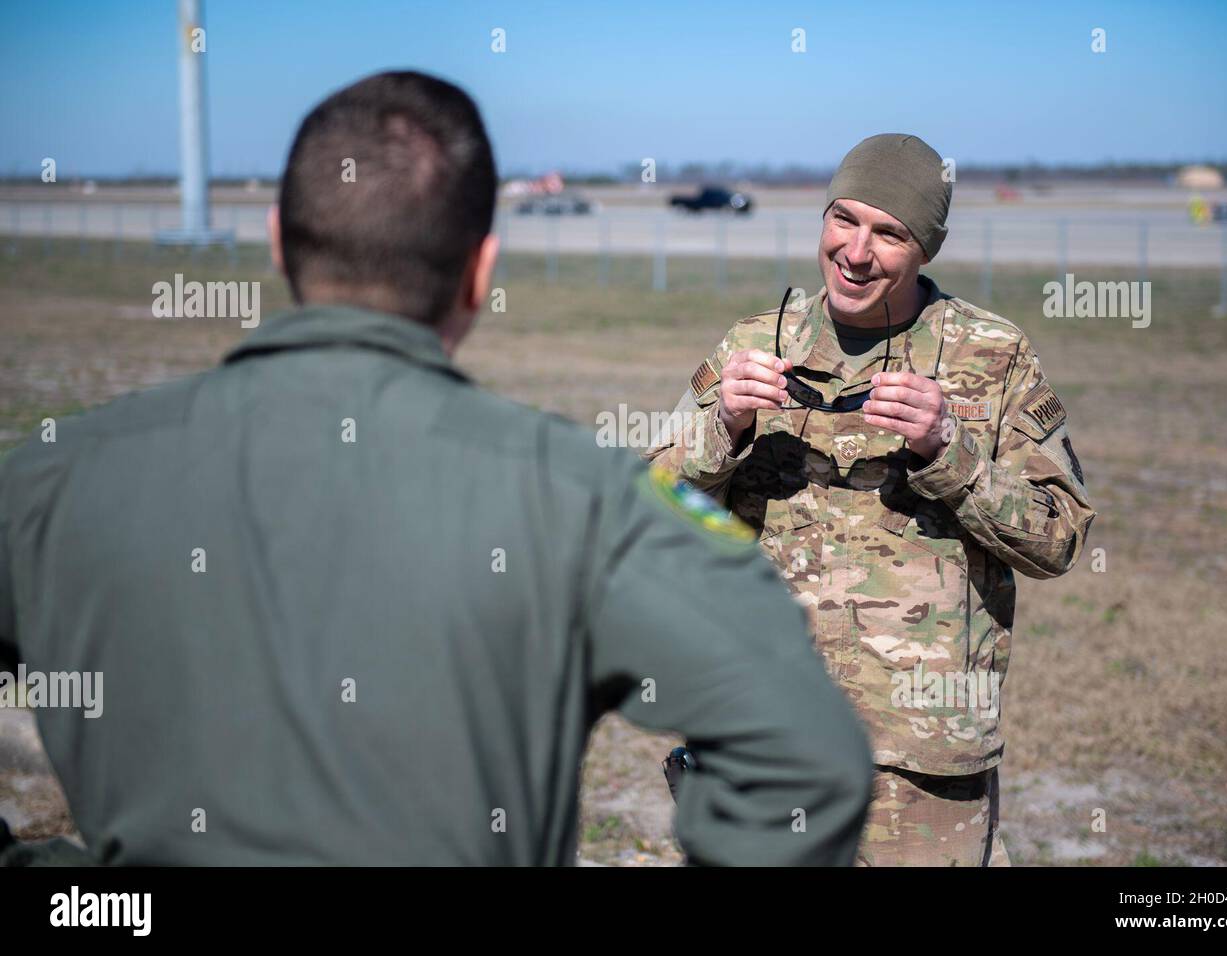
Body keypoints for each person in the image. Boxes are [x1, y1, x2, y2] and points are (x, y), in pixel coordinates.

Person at [0, 71, 872, 866]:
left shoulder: (52, 480)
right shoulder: (577, 501)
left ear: (277, 242)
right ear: (479, 271)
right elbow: (806, 753)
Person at [648, 134, 1096, 866]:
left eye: (890, 232)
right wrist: (719, 429)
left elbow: (1060, 540)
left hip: (920, 763)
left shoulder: (993, 356)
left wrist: (949, 446)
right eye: (843, 219)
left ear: (927, 248)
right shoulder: (757, 344)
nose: (856, 252)